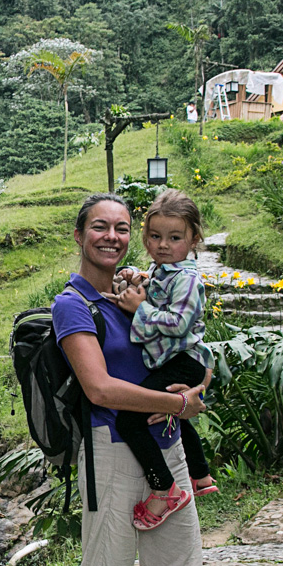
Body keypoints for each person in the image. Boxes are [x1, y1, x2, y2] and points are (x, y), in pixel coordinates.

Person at [52, 193, 265, 566]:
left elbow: (189, 353)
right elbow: (99, 389)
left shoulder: (145, 291)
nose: (112, 237)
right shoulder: (73, 305)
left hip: (166, 449)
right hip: (111, 453)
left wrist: (194, 388)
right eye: (100, 227)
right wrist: (178, 405)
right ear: (79, 235)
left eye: (122, 228)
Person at [113, 190, 217, 531]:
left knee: (130, 419)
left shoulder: (186, 278)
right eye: (155, 236)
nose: (163, 245)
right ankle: (201, 475)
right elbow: (154, 284)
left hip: (183, 361)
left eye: (174, 238)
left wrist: (139, 308)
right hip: (178, 361)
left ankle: (164, 488)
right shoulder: (164, 270)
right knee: (173, 416)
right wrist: (136, 278)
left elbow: (179, 322)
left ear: (194, 239)